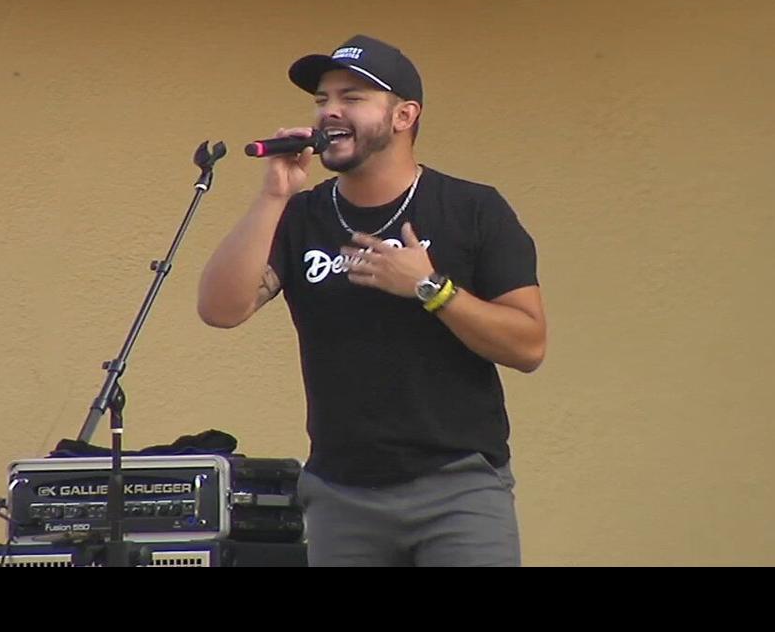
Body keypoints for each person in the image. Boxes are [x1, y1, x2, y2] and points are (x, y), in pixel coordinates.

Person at [197, 34, 546, 567]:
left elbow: (529, 345)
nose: (330, 112)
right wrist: (274, 195)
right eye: (321, 100)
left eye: (352, 98)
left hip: (457, 490)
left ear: (404, 115)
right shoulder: (302, 215)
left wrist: (433, 289)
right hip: (341, 494)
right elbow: (221, 310)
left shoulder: (473, 209)